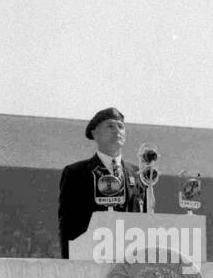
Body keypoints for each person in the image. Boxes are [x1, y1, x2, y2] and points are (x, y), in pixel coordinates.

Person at [57, 107, 148, 258]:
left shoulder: (138, 174)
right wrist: (69, 264)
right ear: (95, 133)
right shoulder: (76, 173)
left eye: (121, 127)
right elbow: (67, 226)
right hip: (90, 258)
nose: (117, 131)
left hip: (129, 262)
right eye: (110, 126)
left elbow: (145, 221)